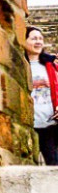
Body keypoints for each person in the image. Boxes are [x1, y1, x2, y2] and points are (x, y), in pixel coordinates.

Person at [25, 26, 58, 166]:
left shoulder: (51, 65)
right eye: (33, 38)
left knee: (54, 164)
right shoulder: (19, 65)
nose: (38, 42)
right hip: (29, 125)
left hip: (50, 124)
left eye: (40, 39)